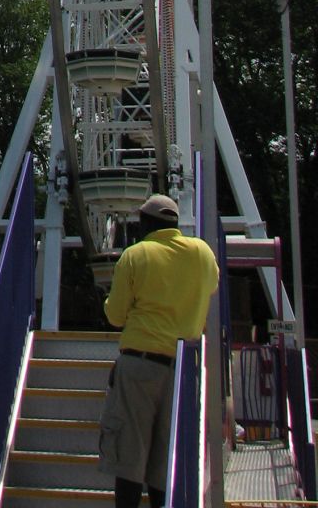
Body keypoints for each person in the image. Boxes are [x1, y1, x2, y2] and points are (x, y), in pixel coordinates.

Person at [98, 193, 220, 508]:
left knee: (129, 456)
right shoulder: (203, 254)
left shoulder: (136, 255)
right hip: (182, 369)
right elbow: (210, 287)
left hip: (139, 364)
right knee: (164, 463)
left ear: (146, 224)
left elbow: (116, 316)